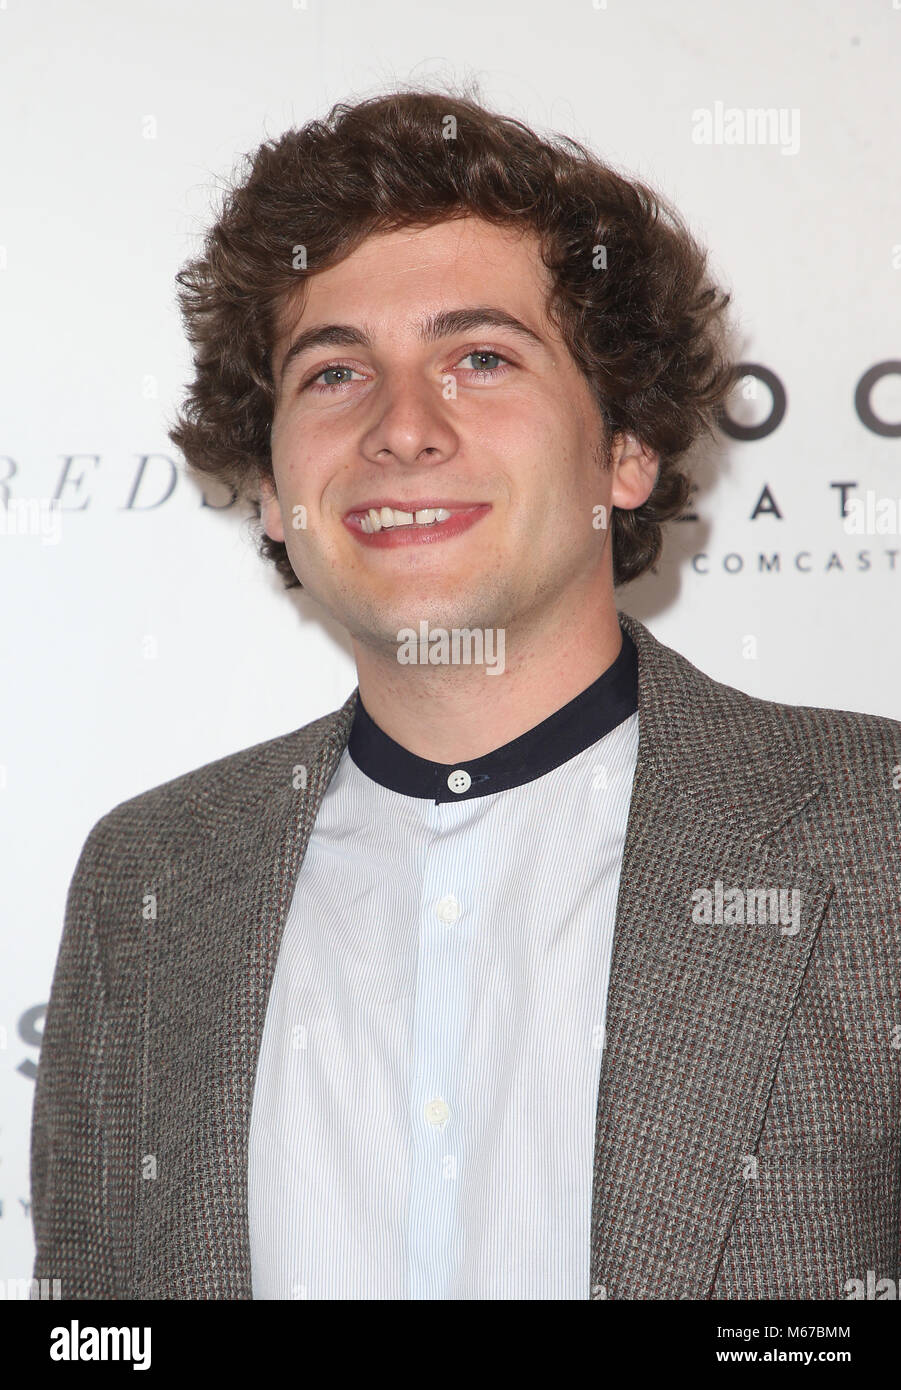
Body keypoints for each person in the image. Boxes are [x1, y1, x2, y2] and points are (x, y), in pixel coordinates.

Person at [31, 88, 901, 1300]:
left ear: (626, 449)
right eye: (333, 374)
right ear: (275, 487)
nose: (402, 428)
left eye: (480, 358)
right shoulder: (152, 876)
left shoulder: (877, 838)